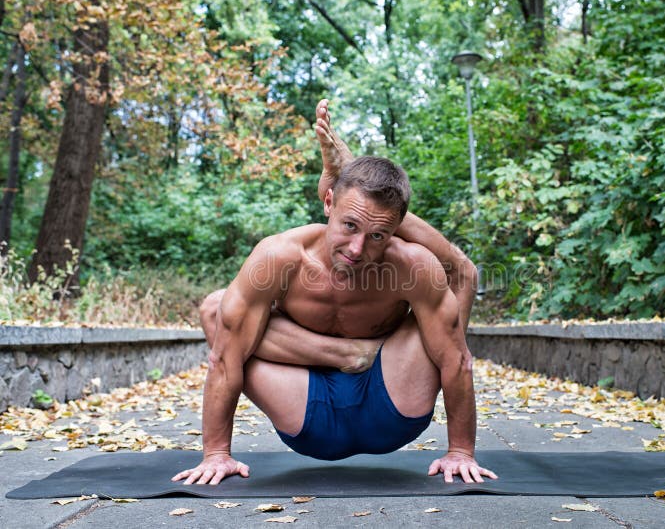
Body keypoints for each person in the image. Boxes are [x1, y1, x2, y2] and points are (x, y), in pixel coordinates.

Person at [172, 100, 497, 486]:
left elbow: (457, 354)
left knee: (450, 285)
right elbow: (224, 358)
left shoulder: (410, 265)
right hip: (307, 414)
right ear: (327, 202)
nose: (358, 249)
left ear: (396, 229)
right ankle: (348, 354)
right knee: (218, 311)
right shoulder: (280, 257)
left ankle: (363, 207)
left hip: (393, 406)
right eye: (349, 224)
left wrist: (461, 451)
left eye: (378, 234)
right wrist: (216, 454)